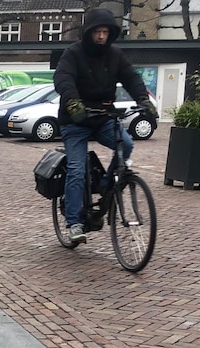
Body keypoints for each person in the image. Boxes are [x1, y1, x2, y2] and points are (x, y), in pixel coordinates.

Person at [53, 8, 155, 244]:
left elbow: (131, 77)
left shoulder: (115, 55)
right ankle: (74, 223)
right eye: (97, 32)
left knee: (126, 145)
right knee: (77, 169)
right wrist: (72, 102)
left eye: (105, 32)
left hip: (103, 118)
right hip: (76, 120)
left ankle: (105, 185)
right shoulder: (73, 54)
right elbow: (63, 79)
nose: (101, 36)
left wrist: (143, 99)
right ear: (88, 33)